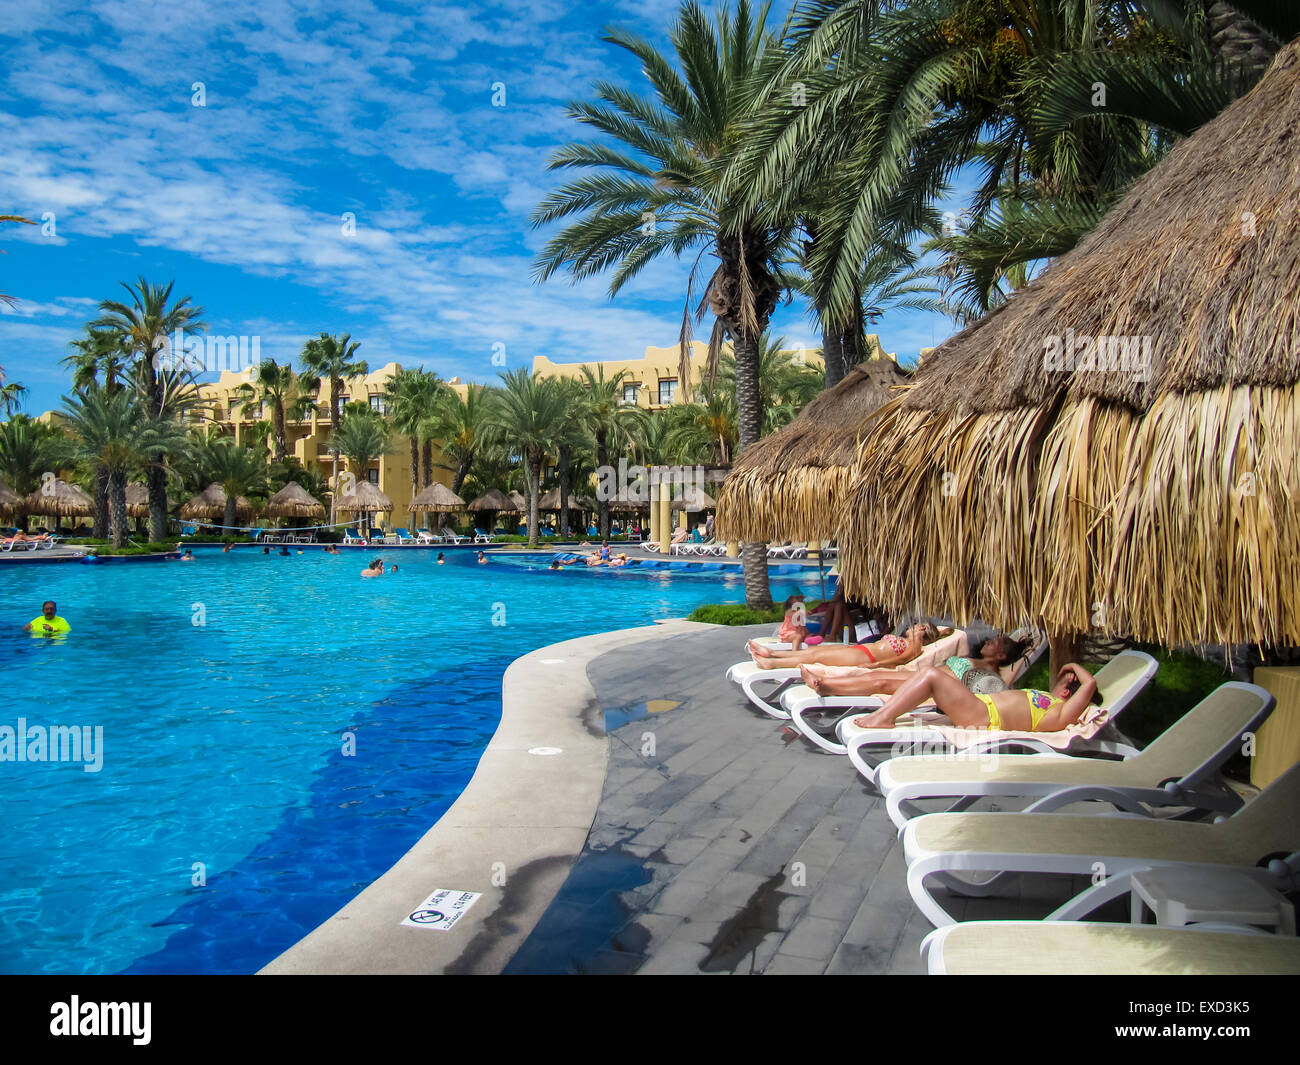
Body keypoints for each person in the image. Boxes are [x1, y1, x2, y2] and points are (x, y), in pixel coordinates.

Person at [851, 662, 1100, 732]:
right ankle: (882, 715)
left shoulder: (1059, 714)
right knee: (929, 674)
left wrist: (1072, 665)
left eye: (1064, 682)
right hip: (981, 705)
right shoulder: (1051, 702)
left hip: (984, 716)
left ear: (1068, 692)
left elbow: (1090, 683)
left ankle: (884, 717)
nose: (1059, 682)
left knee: (931, 676)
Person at [799, 634, 1031, 699]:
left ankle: (827, 687)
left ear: (1000, 655)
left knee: (880, 682)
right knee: (878, 674)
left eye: (995, 643)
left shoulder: (988, 673)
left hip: (931, 685)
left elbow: (996, 690)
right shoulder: (977, 660)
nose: (988, 641)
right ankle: (827, 681)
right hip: (922, 676)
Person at [749, 622, 953, 670]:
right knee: (814, 651)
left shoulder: (915, 644)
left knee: (813, 659)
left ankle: (772, 664)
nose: (914, 625)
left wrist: (875, 666)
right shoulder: (909, 640)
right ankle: (772, 653)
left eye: (918, 626)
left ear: (923, 631)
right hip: (860, 651)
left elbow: (902, 659)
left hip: (866, 658)